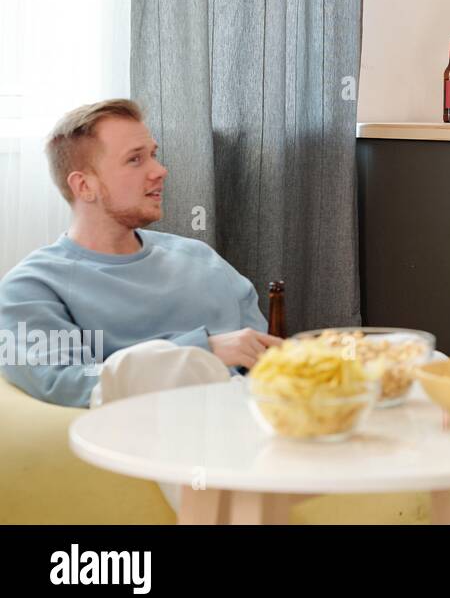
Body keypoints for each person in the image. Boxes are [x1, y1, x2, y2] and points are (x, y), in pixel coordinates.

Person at [0, 99, 281, 407]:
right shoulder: (30, 289)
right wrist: (202, 353)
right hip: (144, 447)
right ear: (84, 186)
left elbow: (273, 368)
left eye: (153, 155)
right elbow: (66, 383)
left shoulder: (201, 259)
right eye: (135, 160)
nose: (160, 170)